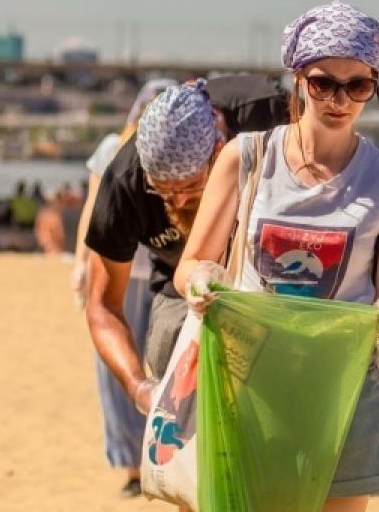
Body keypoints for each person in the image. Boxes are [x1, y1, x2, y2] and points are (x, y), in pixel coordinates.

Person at [174, 0, 379, 511]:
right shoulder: (246, 157)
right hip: (250, 381)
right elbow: (191, 264)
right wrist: (199, 281)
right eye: (323, 83)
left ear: (374, 86)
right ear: (298, 79)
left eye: (358, 86)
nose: (340, 99)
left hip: (341, 387)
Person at [84, 74, 290, 421]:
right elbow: (103, 306)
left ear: (218, 153)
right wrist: (139, 387)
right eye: (162, 189)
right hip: (178, 284)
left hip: (270, 273)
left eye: (190, 186)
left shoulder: (267, 115)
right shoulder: (125, 181)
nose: (177, 200)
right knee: (169, 343)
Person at [72, 79, 172, 497]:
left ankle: (163, 456)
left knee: (165, 365)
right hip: (118, 272)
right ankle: (131, 466)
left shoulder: (178, 147)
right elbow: (94, 207)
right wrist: (81, 263)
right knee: (118, 369)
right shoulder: (114, 148)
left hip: (165, 272)